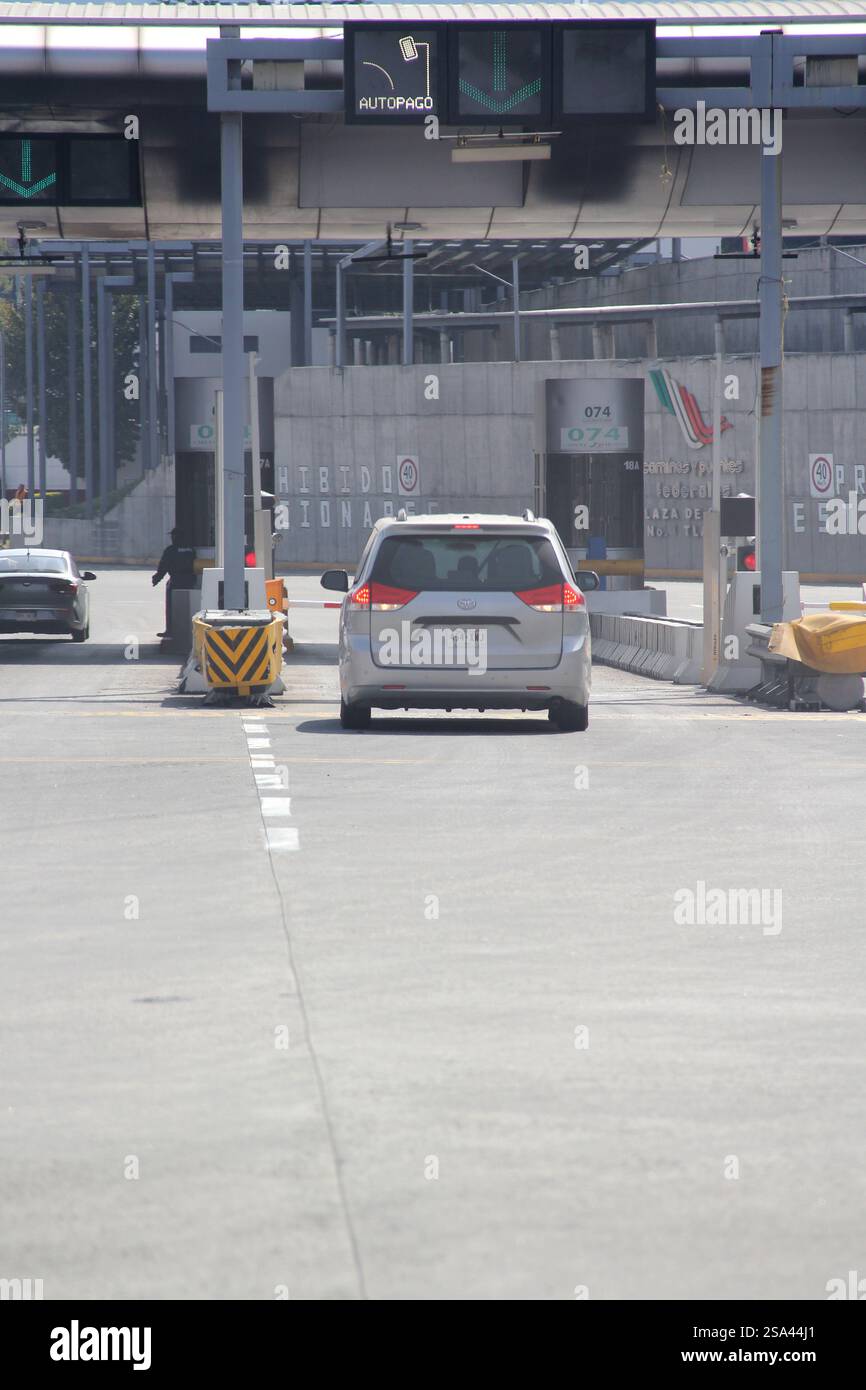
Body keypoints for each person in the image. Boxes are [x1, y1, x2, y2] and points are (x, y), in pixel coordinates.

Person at [152, 528, 196, 638]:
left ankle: (170, 630)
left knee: (171, 607)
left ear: (176, 537)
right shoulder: (191, 549)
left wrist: (157, 578)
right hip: (191, 581)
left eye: (173, 536)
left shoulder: (171, 550)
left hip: (176, 580)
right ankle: (189, 630)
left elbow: (164, 566)